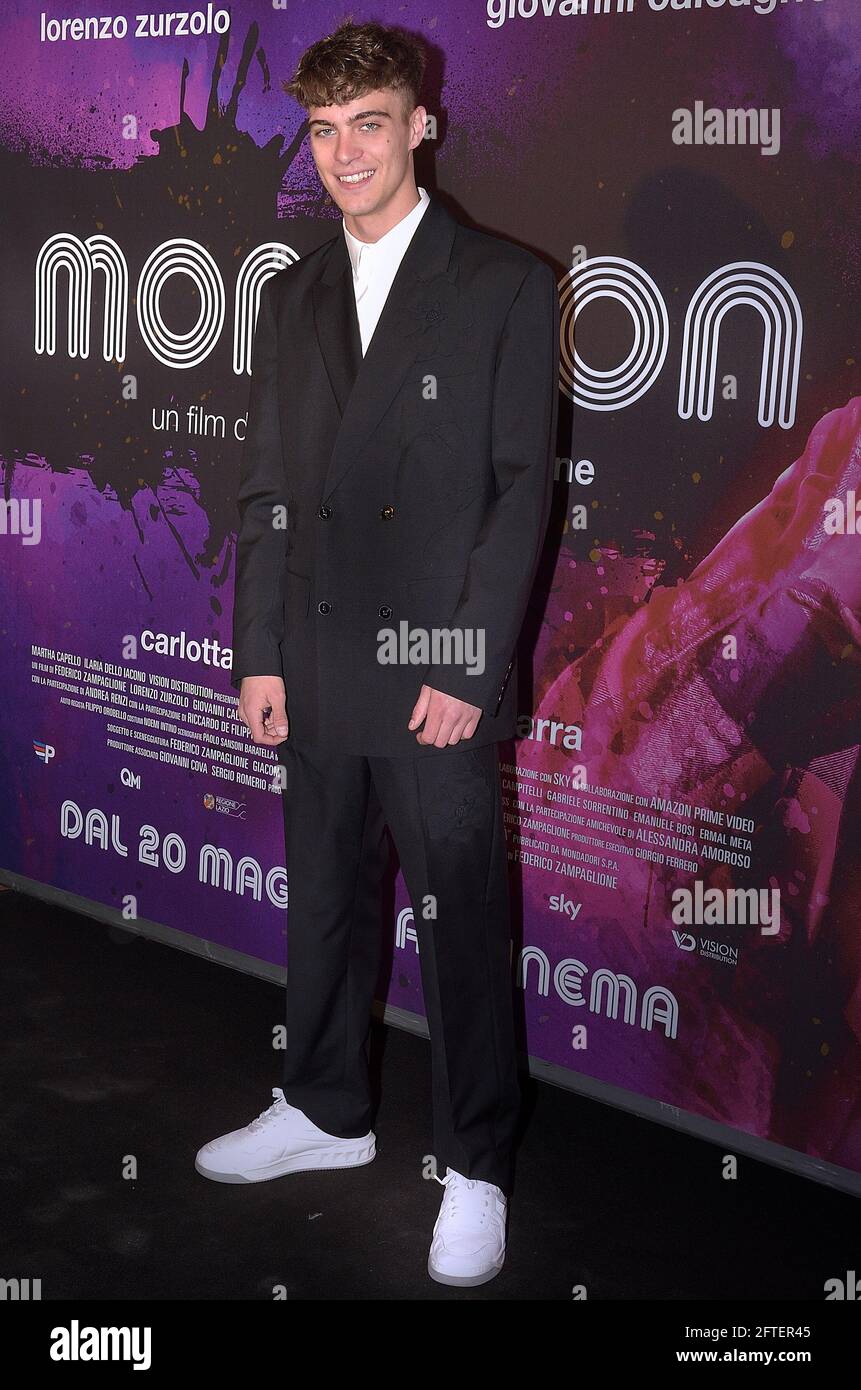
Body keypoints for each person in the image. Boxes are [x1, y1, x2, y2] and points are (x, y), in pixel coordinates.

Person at [195, 19, 559, 1288]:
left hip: (435, 673)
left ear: (422, 127)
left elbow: (524, 493)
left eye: (369, 123)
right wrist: (259, 649)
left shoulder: (505, 282)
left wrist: (465, 666)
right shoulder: (291, 292)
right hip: (318, 653)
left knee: (459, 927)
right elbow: (267, 490)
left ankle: (476, 1163)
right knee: (327, 906)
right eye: (324, 129)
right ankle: (326, 1108)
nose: (345, 153)